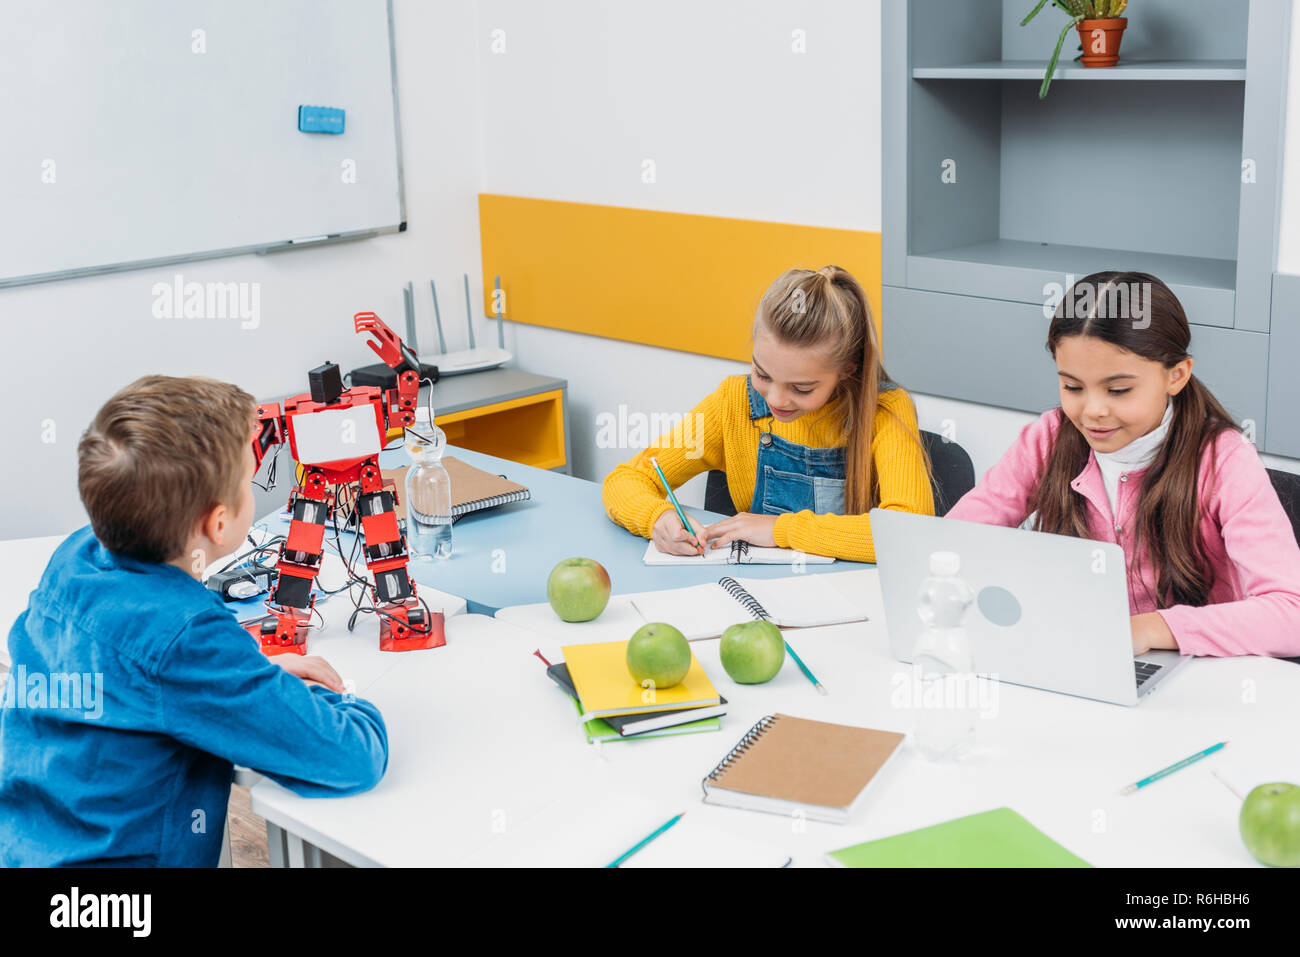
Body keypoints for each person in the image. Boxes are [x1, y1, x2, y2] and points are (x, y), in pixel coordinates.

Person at [0, 375, 388, 866]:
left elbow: (144, 679)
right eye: (250, 480)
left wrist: (245, 677)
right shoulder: (186, 639)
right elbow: (352, 756)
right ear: (219, 524)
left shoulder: (75, 556)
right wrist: (339, 698)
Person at [947, 271, 1300, 657]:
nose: (1093, 411)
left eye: (1119, 390)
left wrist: (1150, 629)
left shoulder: (1224, 460)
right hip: (1077, 658)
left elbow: (1291, 613)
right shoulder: (1048, 438)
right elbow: (948, 546)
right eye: (1072, 387)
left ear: (1177, 375)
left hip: (1192, 678)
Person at [602, 265, 933, 563]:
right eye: (762, 374)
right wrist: (656, 518)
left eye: (801, 388)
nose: (776, 399)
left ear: (848, 368)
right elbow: (626, 480)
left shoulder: (885, 411)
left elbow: (907, 533)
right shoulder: (733, 403)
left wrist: (780, 530)